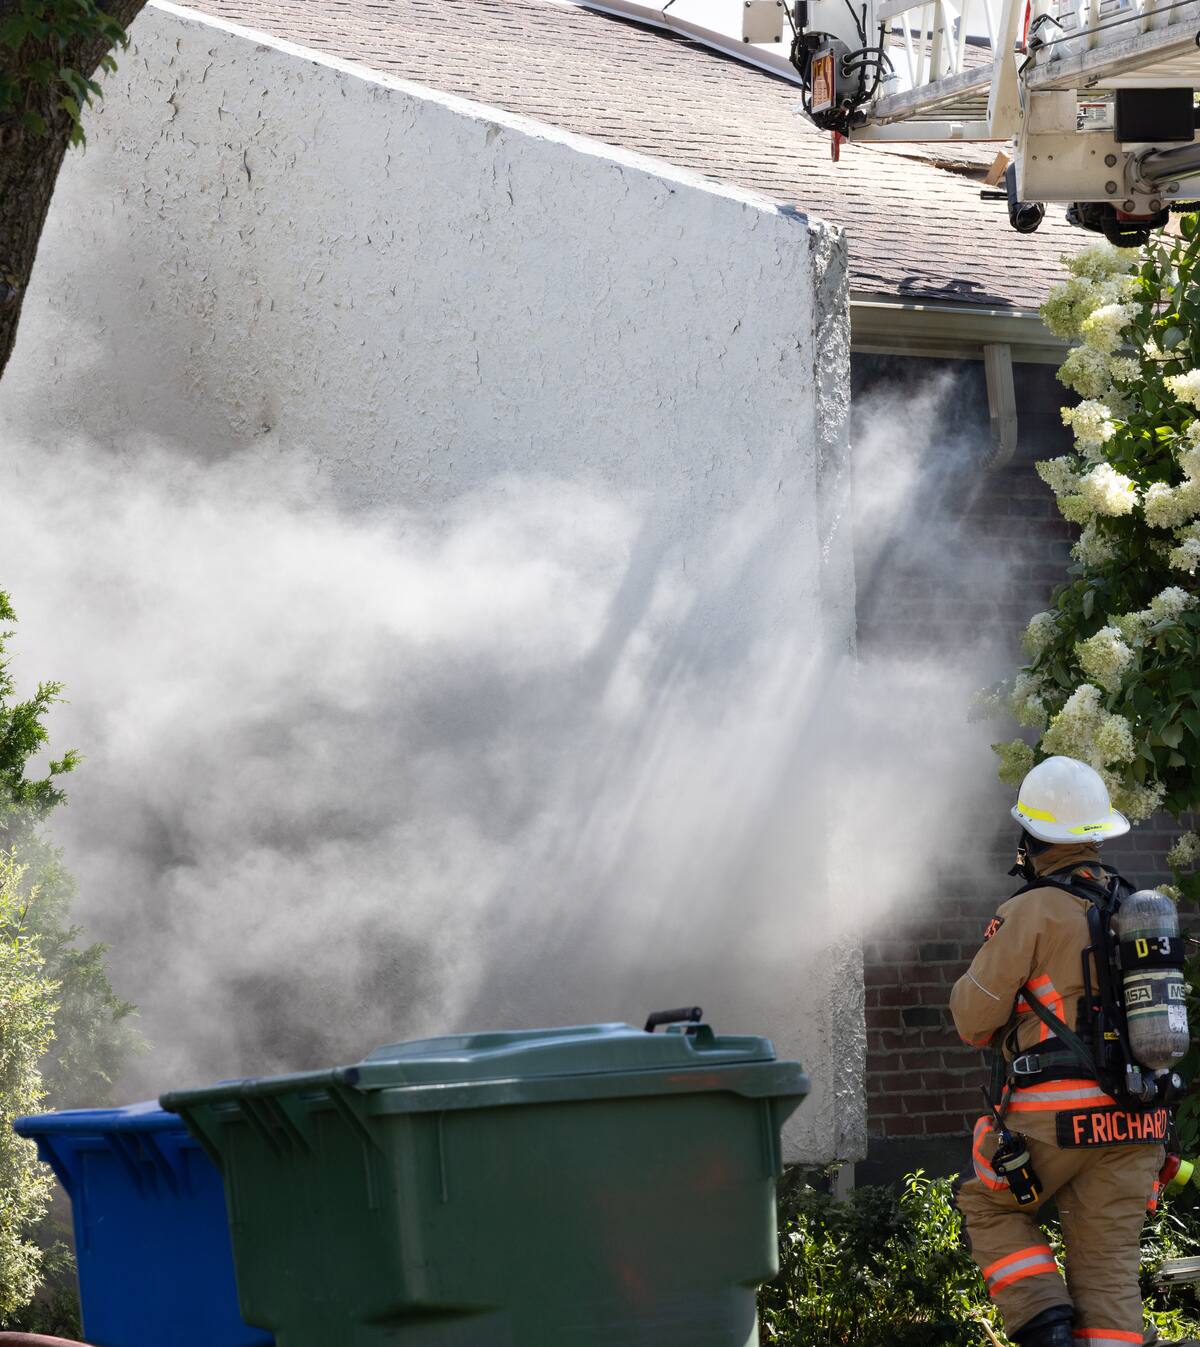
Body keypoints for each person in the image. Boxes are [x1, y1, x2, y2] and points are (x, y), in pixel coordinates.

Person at [951, 755, 1170, 1347]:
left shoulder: (1031, 911)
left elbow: (974, 1021)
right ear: (1095, 835)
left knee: (990, 1207)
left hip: (1055, 1121)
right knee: (1108, 1281)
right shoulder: (1135, 907)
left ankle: (1044, 1326)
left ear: (1033, 838)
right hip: (1140, 1123)